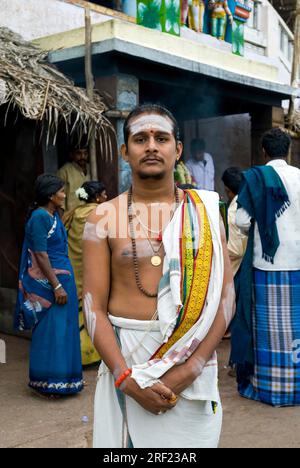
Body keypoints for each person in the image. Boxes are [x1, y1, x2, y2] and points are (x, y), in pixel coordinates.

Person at [83, 104, 235, 448]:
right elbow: (94, 310)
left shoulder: (207, 211)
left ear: (177, 149)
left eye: (161, 137)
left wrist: (189, 369)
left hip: (191, 367)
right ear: (125, 152)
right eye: (140, 138)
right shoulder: (103, 218)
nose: (151, 145)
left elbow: (226, 300)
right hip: (127, 364)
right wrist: (127, 380)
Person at [231, 128, 300, 407]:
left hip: (266, 265)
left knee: (268, 332)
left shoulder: (255, 178)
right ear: (289, 150)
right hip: (298, 262)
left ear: (263, 151)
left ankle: (272, 387)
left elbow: (241, 222)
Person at [14, 174, 83, 398]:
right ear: (52, 195)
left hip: (64, 279)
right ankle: (48, 382)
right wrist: (56, 286)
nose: (65, 195)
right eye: (62, 191)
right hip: (52, 282)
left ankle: (66, 381)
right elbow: (41, 255)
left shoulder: (53, 215)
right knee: (51, 330)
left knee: (65, 328)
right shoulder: (39, 218)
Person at [64, 181, 107, 367]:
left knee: (78, 307)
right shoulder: (100, 214)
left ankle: (75, 352)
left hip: (73, 267)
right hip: (92, 268)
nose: (106, 197)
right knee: (93, 306)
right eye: (104, 194)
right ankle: (90, 354)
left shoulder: (73, 213)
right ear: (97, 197)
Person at [221, 167, 247, 277]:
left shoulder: (232, 212)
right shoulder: (246, 202)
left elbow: (236, 251)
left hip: (237, 270)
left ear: (227, 190)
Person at [57, 145, 91, 213]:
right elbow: (60, 200)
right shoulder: (64, 171)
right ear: (71, 155)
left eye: (85, 153)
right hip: (72, 218)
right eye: (79, 153)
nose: (82, 157)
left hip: (90, 215)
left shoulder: (92, 168)